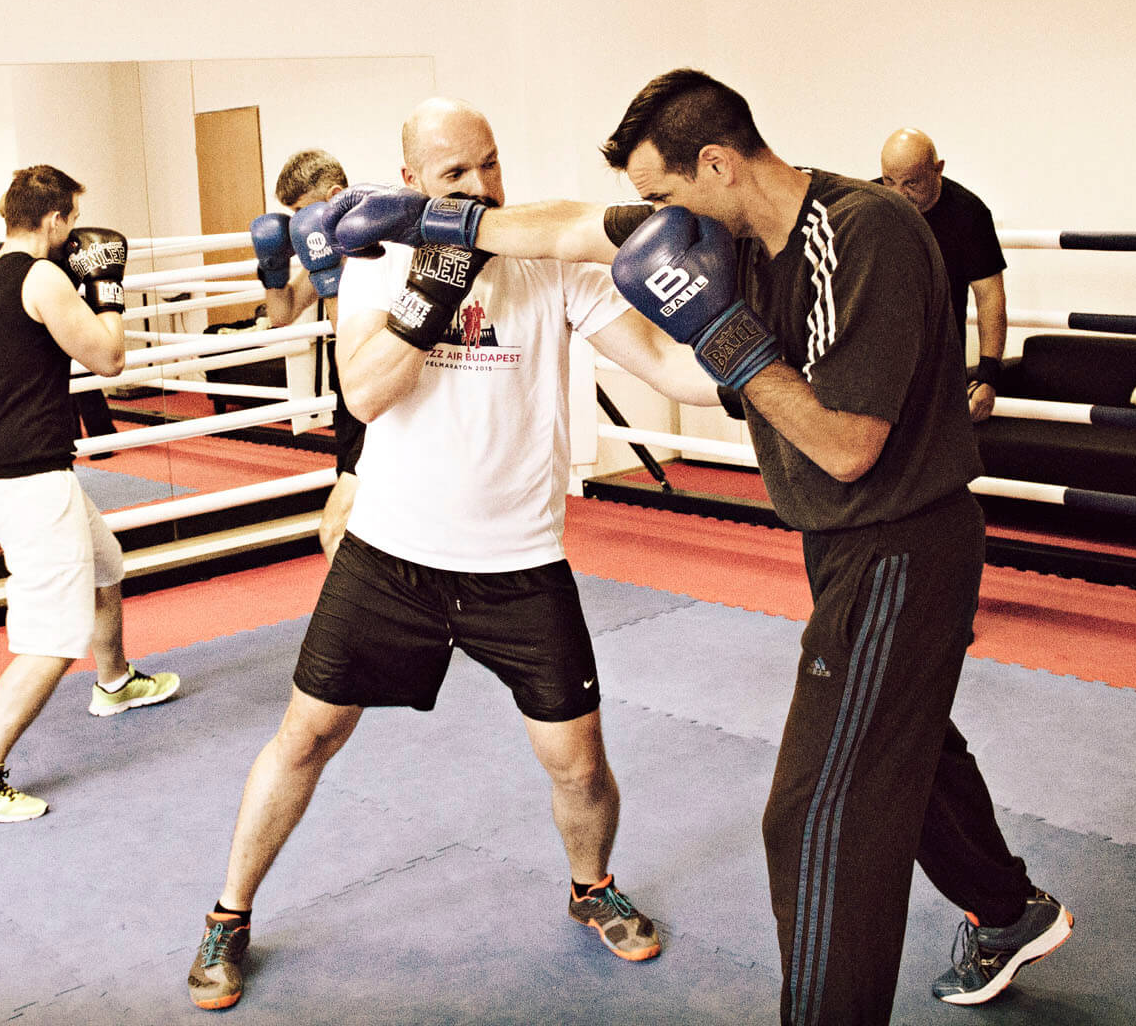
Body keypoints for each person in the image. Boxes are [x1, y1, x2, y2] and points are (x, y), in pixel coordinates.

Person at [366, 70, 1069, 1022]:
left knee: (816, 814)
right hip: (844, 546)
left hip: (901, 545)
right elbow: (576, 225)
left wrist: (724, 334)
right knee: (907, 743)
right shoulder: (731, 230)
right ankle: (1010, 910)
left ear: (716, 162)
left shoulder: (867, 236)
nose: (654, 221)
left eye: (661, 196)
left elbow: (847, 446)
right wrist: (437, 223)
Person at [186, 98, 734, 1012]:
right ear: (410, 185)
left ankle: (590, 888)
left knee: (578, 759)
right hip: (391, 557)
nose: (481, 188)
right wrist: (430, 289)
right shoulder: (378, 260)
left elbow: (671, 370)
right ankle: (228, 914)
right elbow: (363, 395)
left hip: (519, 562)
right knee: (307, 735)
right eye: (455, 176)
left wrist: (746, 344)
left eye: (490, 164)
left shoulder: (550, 263)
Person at [0, 164, 180, 824]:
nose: (72, 231)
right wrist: (109, 293)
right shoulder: (41, 276)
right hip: (31, 481)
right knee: (51, 636)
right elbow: (108, 358)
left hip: (16, 473)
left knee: (106, 566)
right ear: (52, 221)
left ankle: (116, 681)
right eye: (69, 219)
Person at [247, 149, 361, 560]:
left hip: (379, 399)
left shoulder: (378, 245)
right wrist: (272, 265)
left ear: (334, 196)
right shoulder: (326, 251)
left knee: (337, 531)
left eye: (300, 213)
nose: (296, 227)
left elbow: (348, 326)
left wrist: (328, 271)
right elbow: (282, 314)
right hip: (349, 397)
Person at [878, 129, 1008, 422]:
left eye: (911, 182)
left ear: (938, 169)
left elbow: (989, 296)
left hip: (939, 367)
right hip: (878, 364)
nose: (899, 193)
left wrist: (988, 374)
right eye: (889, 181)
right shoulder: (869, 205)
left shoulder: (968, 214)